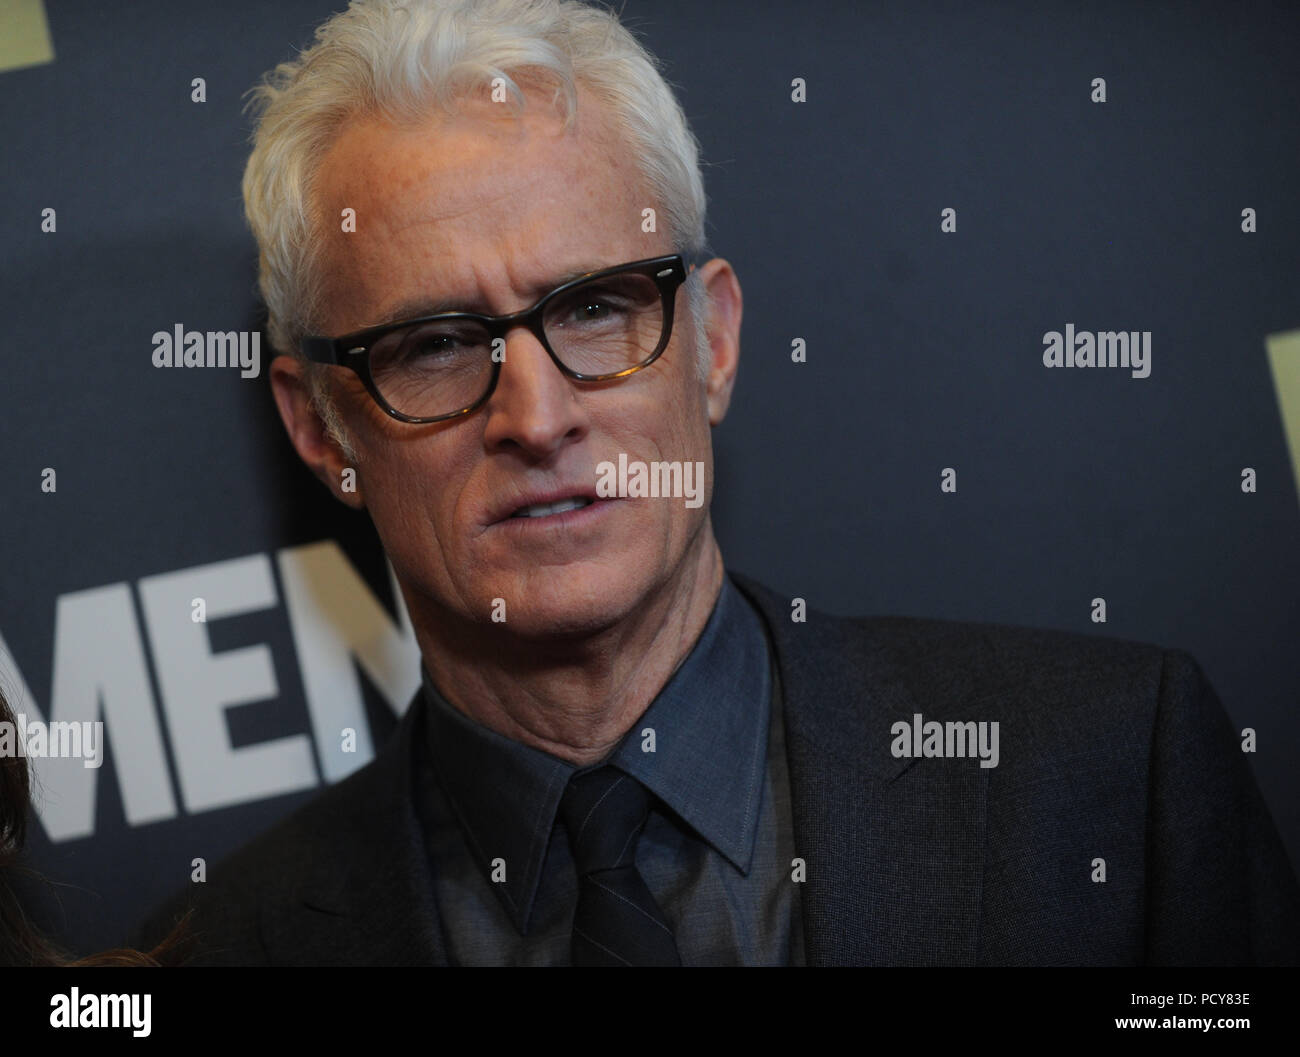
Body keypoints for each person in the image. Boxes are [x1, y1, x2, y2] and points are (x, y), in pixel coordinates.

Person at [136, 0, 1300, 966]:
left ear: (717, 342)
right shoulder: (217, 949)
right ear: (322, 428)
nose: (536, 419)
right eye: (435, 345)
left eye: (594, 309)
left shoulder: (1111, 777)